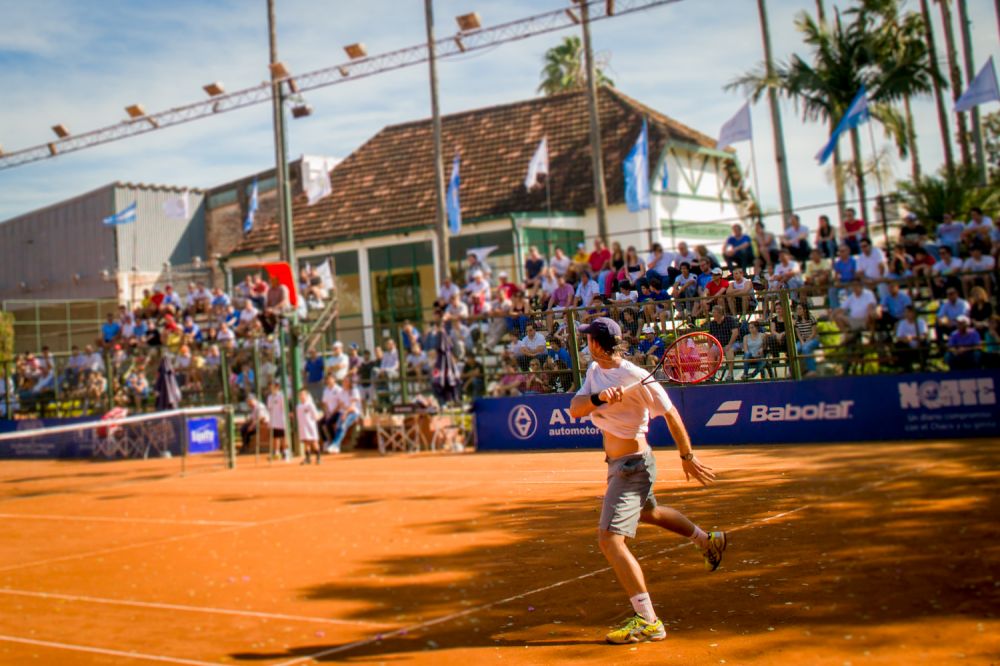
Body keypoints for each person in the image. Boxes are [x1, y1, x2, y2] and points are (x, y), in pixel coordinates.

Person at [566, 317, 724, 645]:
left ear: (597, 343)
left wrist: (687, 456)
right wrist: (600, 399)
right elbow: (575, 409)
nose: (586, 344)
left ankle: (648, 620)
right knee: (649, 513)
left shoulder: (637, 377)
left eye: (588, 339)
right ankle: (707, 539)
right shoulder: (595, 373)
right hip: (619, 465)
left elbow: (671, 414)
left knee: (609, 539)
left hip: (633, 467)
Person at [328, 376, 362, 453]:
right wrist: (332, 413)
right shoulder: (341, 392)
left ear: (350, 383)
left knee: (343, 425)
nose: (344, 383)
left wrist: (345, 413)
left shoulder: (354, 391)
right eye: (343, 381)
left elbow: (353, 407)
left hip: (354, 413)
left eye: (346, 381)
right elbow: (340, 405)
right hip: (344, 412)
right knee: (338, 426)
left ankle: (335, 444)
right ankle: (336, 446)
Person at [707, 305, 740, 381]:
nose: (712, 314)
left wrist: (729, 344)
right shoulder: (712, 323)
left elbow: (735, 333)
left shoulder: (730, 320)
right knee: (711, 352)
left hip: (732, 343)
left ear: (719, 313)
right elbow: (709, 337)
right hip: (719, 345)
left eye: (714, 312)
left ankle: (730, 375)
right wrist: (710, 347)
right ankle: (712, 375)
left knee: (729, 350)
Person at [793, 303, 820, 376]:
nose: (798, 311)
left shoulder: (811, 318)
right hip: (803, 340)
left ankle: (812, 370)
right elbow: (798, 334)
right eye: (797, 309)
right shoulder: (797, 322)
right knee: (795, 349)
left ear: (804, 310)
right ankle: (793, 371)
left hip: (813, 339)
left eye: (800, 309)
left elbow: (814, 332)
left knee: (806, 348)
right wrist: (802, 341)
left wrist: (807, 341)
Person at [296, 388, 322, 464]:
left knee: (314, 442)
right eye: (300, 395)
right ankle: (308, 458)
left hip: (311, 427)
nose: (301, 396)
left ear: (307, 396)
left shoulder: (310, 405)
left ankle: (318, 458)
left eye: (303, 395)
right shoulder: (298, 406)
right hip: (303, 428)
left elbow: (316, 417)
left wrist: (320, 415)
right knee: (306, 443)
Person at [266, 380, 289, 461]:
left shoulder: (281, 396)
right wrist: (269, 421)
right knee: (275, 437)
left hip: (281, 420)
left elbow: (284, 408)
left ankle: (285, 452)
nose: (271, 388)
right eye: (270, 386)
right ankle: (276, 452)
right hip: (273, 420)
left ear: (277, 387)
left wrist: (284, 418)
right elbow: (269, 409)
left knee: (283, 436)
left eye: (273, 386)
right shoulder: (269, 397)